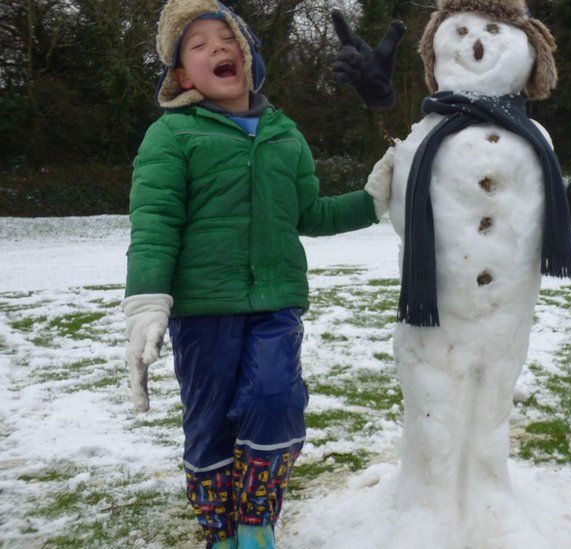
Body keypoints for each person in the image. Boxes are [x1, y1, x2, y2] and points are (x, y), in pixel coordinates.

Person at [122, 1, 402, 547]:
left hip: (275, 303)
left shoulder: (285, 135)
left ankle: (256, 522)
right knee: (210, 423)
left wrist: (373, 200)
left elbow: (309, 214)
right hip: (204, 311)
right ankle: (221, 529)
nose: (217, 49)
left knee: (276, 400)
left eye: (227, 39)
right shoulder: (172, 135)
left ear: (249, 57)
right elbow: (154, 222)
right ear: (182, 77)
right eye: (198, 46)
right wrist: (147, 302)